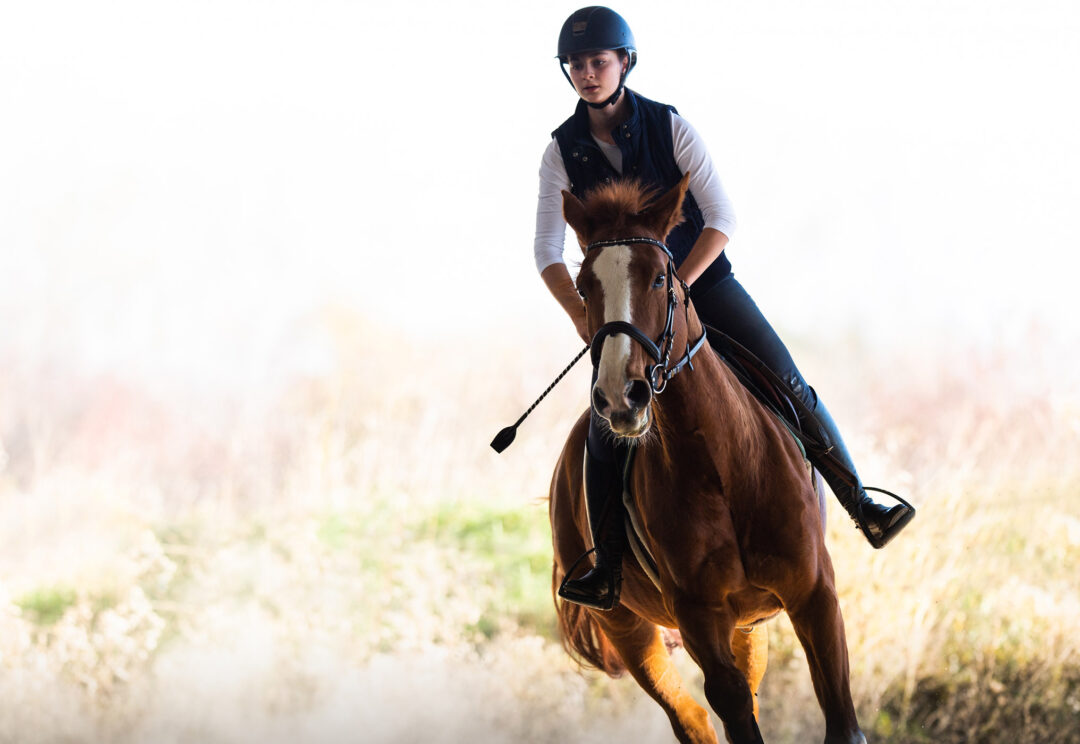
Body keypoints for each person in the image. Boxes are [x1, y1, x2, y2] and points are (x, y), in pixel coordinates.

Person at [535, 6, 915, 611]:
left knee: (786, 379)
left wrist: (677, 288)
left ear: (623, 63)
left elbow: (724, 220)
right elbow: (547, 252)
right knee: (605, 421)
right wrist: (586, 318)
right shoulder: (561, 152)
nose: (587, 73)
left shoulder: (671, 126)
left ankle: (859, 502)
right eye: (576, 65)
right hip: (625, 312)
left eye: (597, 62)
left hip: (701, 284)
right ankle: (608, 566)